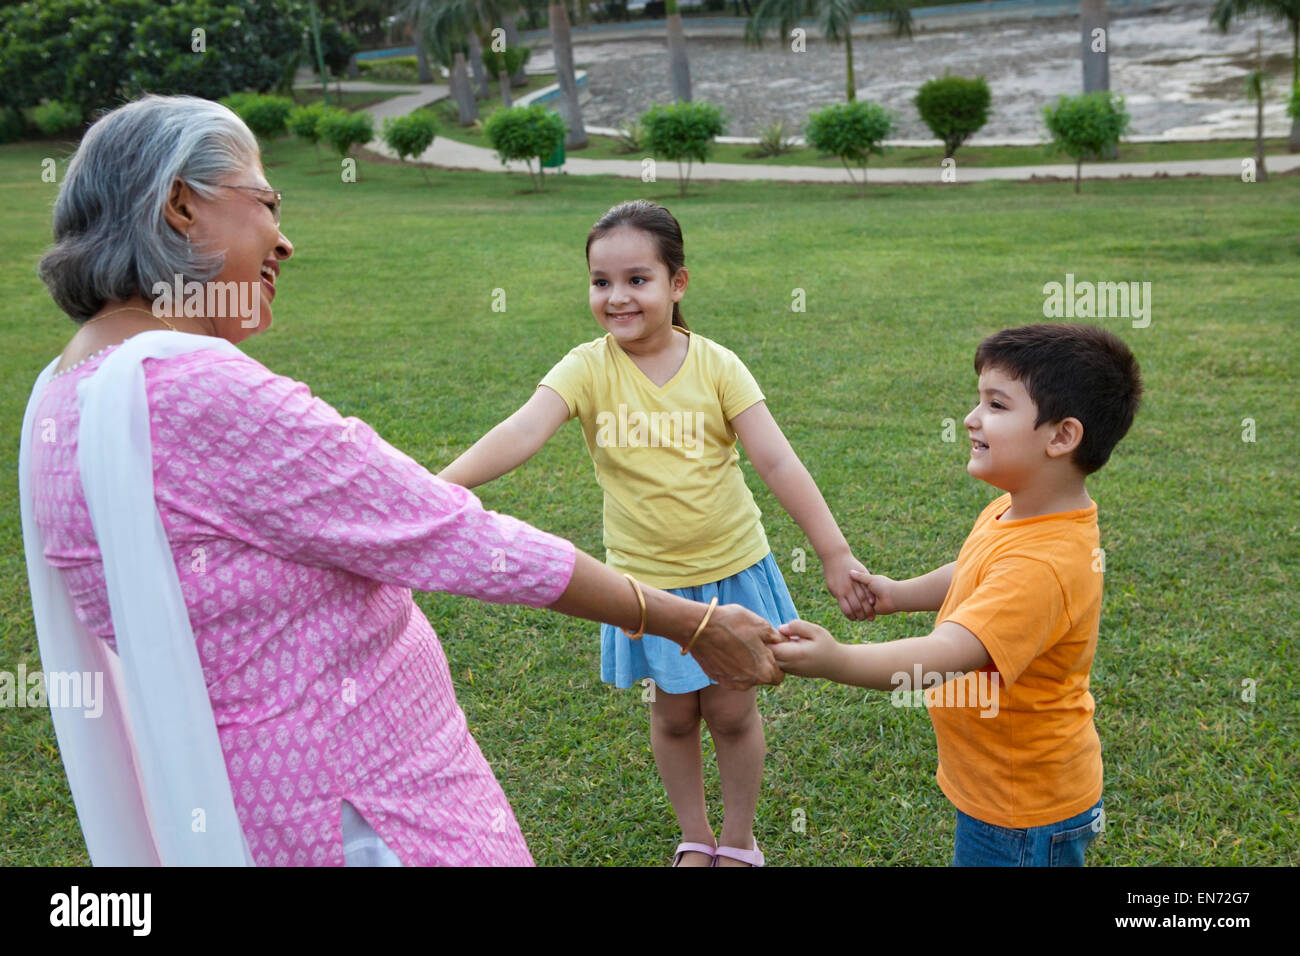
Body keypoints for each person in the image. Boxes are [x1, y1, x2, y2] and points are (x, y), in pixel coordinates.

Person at [18, 95, 785, 868]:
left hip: (258, 802)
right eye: (267, 202)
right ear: (181, 203)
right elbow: (462, 538)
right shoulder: (195, 391)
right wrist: (688, 622)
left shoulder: (64, 391)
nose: (283, 242)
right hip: (363, 814)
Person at [438, 199, 873, 867]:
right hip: (644, 589)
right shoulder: (587, 367)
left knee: (730, 715)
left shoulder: (718, 366)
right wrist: (442, 486)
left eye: (637, 280)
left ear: (678, 284)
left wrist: (835, 553)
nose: (617, 297)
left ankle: (738, 839)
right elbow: (522, 430)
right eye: (601, 282)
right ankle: (695, 836)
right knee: (673, 716)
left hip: (734, 572)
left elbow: (777, 460)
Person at [771, 323, 1143, 866]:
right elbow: (973, 570)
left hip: (1023, 810)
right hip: (1002, 791)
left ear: (1061, 436)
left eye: (996, 404)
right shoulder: (1022, 509)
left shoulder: (1044, 564)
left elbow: (944, 655)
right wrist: (898, 594)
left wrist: (837, 660)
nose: (971, 418)